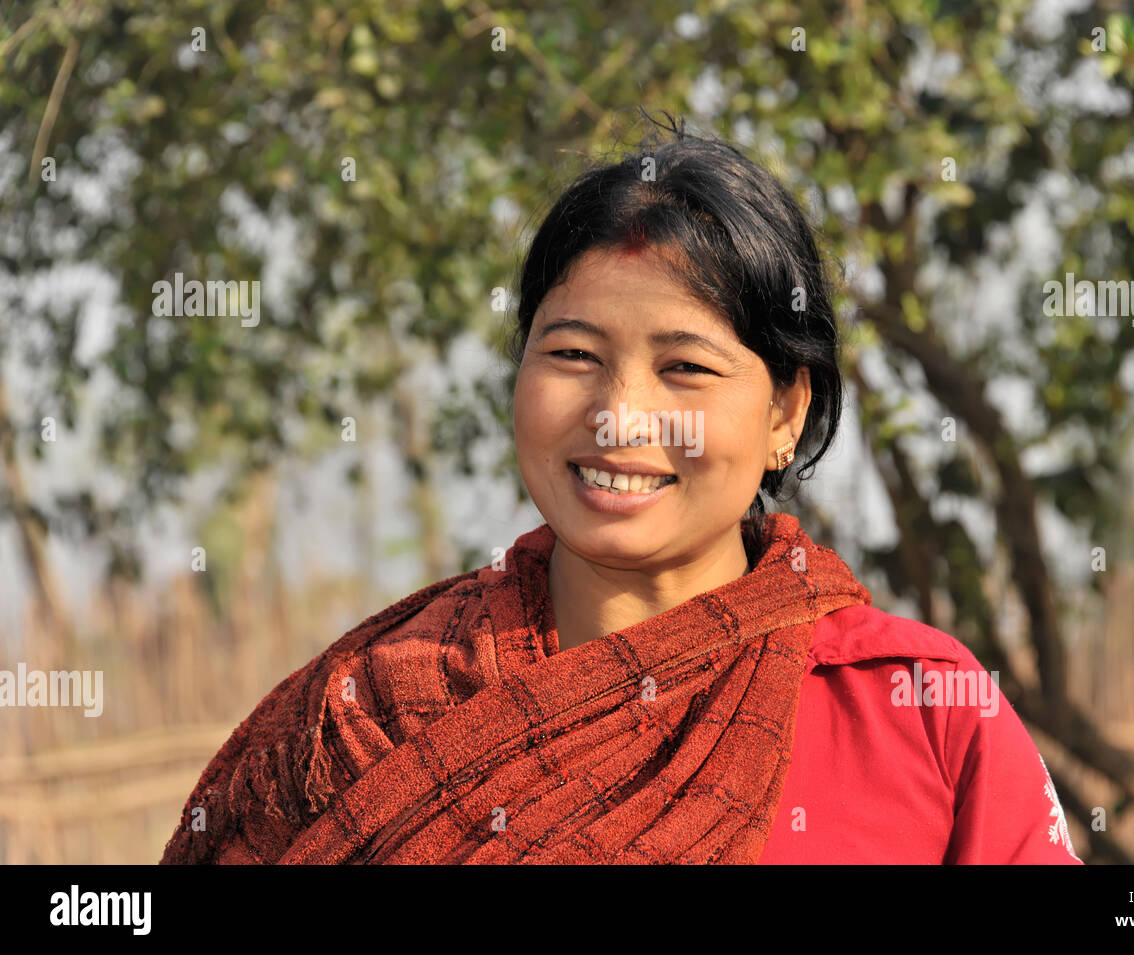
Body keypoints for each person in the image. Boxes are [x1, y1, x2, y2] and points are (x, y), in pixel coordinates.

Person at [160, 115, 1082, 865]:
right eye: (572, 355)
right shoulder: (367, 712)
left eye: (685, 366)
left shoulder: (918, 712)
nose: (621, 418)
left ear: (784, 414)